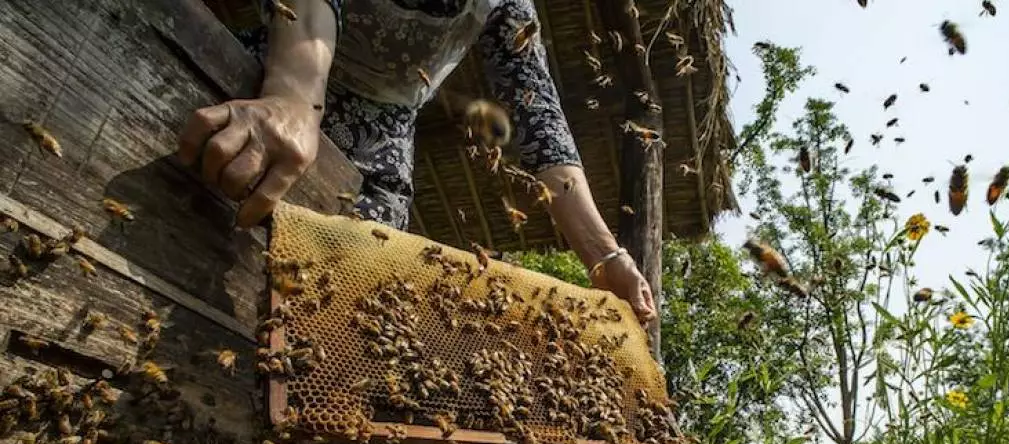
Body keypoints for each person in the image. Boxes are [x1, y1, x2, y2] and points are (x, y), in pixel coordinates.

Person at [176, 0, 656, 322]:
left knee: (340, 315)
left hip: (381, 150)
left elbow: (540, 119)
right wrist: (293, 96)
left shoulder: (511, 7)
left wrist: (605, 255)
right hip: (273, 81)